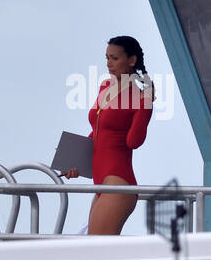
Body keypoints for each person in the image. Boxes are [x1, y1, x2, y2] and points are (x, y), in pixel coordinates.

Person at [62, 36, 155, 236]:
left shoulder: (139, 98)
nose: (109, 64)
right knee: (93, 250)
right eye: (107, 58)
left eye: (114, 58)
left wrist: (146, 105)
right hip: (101, 182)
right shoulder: (105, 86)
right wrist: (75, 162)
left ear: (131, 60)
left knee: (97, 250)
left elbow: (133, 141)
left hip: (118, 181)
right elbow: (97, 132)